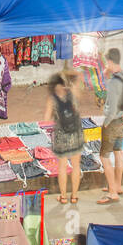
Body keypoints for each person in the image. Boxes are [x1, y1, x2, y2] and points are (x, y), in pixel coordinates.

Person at [98, 48, 123, 205]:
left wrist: (105, 123)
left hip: (113, 121)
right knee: (118, 152)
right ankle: (117, 186)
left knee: (104, 156)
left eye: (107, 62)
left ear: (110, 62)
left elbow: (111, 109)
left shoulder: (113, 82)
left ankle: (112, 192)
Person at [44, 69, 84, 205]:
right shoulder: (73, 93)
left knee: (62, 167)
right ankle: (74, 196)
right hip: (76, 134)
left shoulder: (52, 99)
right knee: (76, 166)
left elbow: (46, 119)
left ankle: (63, 197)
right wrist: (67, 74)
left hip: (61, 136)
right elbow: (78, 75)